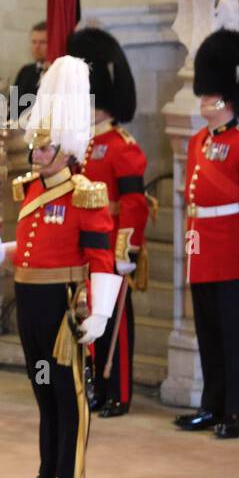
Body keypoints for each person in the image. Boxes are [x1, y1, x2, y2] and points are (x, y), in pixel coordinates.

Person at [0, 56, 120, 478]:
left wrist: (100, 312)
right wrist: (0, 252)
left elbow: (101, 258)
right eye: (36, 148)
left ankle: (68, 475)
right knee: (41, 389)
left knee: (65, 390)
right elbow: (35, 250)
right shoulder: (32, 189)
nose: (35, 154)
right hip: (31, 296)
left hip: (64, 303)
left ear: (64, 150)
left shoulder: (84, 194)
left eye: (43, 149)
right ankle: (45, 470)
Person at [69, 26, 148, 418]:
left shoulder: (121, 146)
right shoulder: (79, 142)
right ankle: (95, 384)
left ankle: (117, 390)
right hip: (84, 242)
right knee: (89, 312)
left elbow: (134, 202)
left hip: (111, 241)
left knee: (116, 319)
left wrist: (126, 249)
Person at [172, 29, 239, 439]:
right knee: (209, 334)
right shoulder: (200, 140)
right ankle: (212, 404)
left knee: (235, 338)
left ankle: (236, 409)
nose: (203, 102)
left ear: (225, 99)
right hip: (201, 247)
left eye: (207, 96)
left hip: (231, 249)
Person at [13, 21, 49, 103]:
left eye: (42, 42)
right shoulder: (25, 71)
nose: (37, 47)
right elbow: (12, 105)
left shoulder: (58, 74)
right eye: (34, 42)